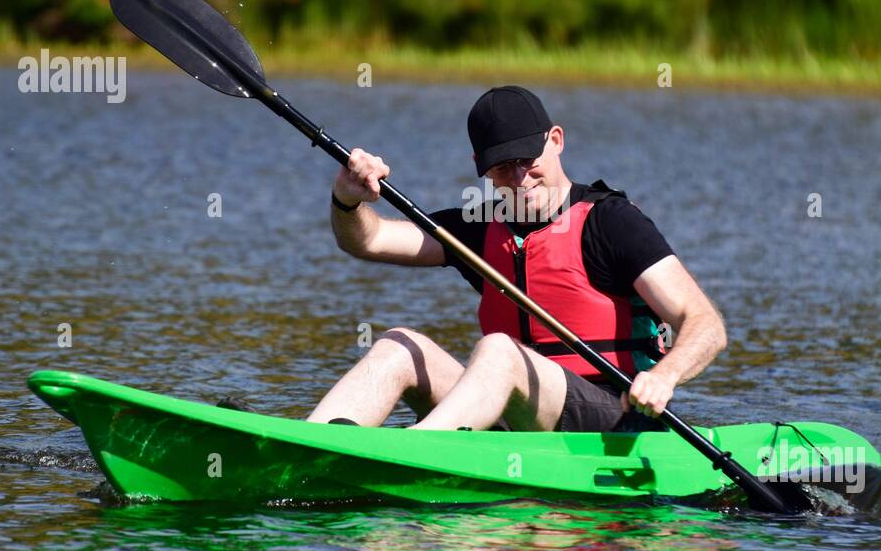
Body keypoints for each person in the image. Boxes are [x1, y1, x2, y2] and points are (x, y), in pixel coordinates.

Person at [308, 85, 727, 432]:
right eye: (503, 167)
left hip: (613, 420)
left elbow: (705, 324)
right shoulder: (479, 228)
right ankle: (313, 447)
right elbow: (369, 239)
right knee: (399, 344)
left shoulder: (612, 222)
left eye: (528, 159)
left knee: (498, 350)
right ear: (482, 168)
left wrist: (665, 375)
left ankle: (414, 450)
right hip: (515, 419)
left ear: (556, 140)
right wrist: (347, 198)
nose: (520, 178)